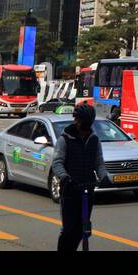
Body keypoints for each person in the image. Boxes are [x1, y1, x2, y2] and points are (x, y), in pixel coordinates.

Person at [52, 102, 112, 251]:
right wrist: (64, 177)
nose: (79, 123)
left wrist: (104, 176)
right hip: (70, 190)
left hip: (87, 189)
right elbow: (57, 163)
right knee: (69, 230)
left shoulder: (94, 140)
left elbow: (99, 163)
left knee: (83, 229)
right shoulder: (65, 139)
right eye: (79, 120)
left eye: (84, 121)